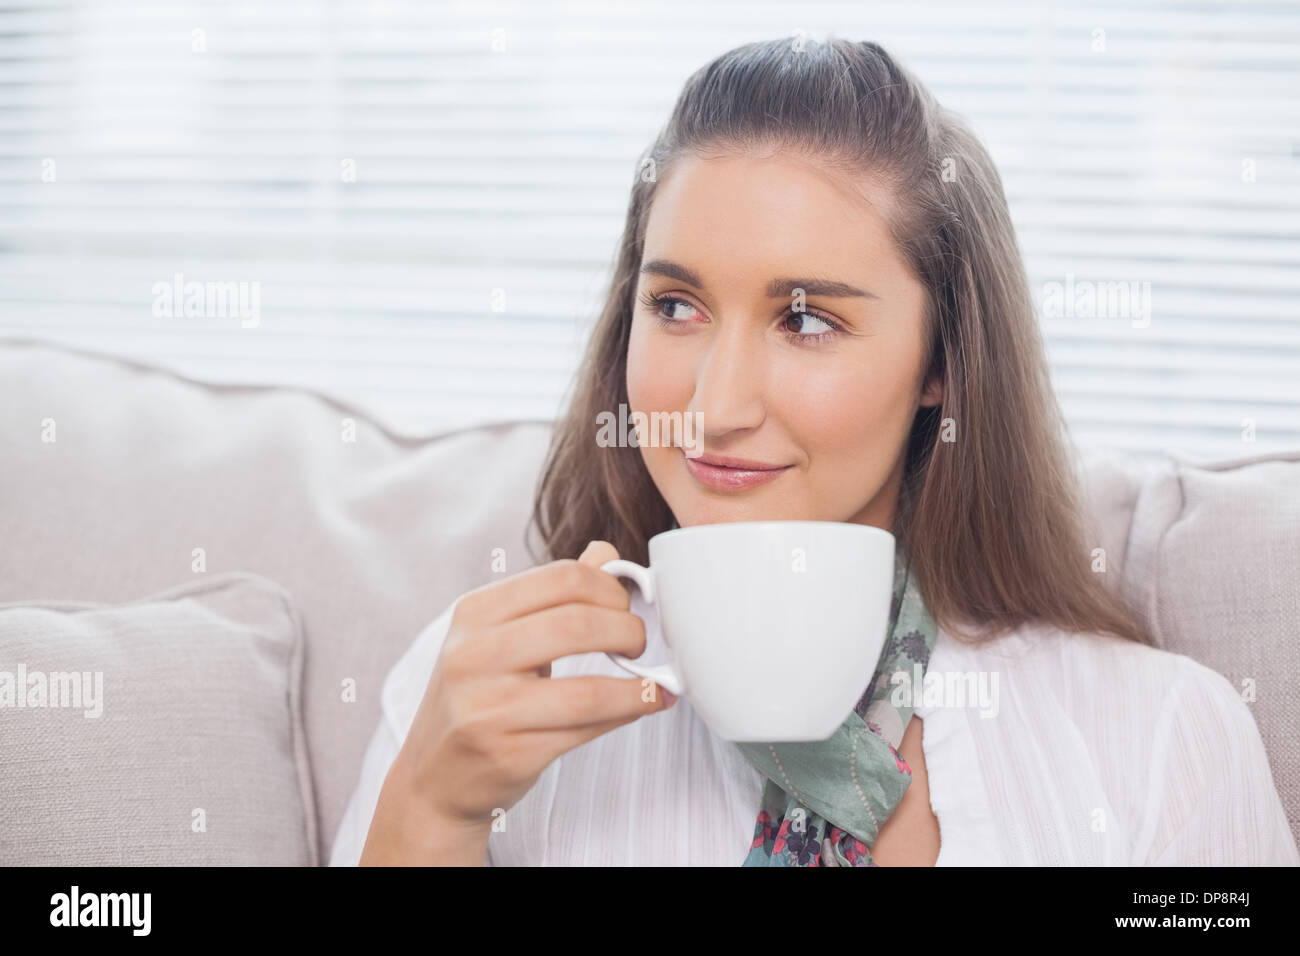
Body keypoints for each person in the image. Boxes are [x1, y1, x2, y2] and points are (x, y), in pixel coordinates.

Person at [329, 37, 1298, 866]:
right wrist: (428, 812)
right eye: (674, 306)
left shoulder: (1163, 743)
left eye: (805, 320)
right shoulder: (471, 692)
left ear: (942, 362)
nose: (710, 406)